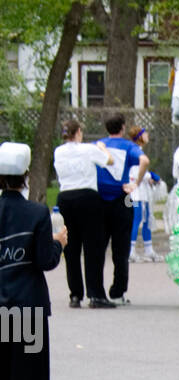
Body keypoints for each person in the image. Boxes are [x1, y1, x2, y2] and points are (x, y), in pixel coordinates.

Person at [0, 142, 67, 380]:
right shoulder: (37, 213)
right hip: (27, 303)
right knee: (26, 368)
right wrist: (59, 243)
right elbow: (45, 261)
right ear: (25, 175)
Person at [52, 119, 115, 307]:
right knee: (93, 247)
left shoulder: (58, 151)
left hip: (65, 197)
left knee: (71, 247)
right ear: (78, 132)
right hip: (87, 196)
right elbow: (109, 161)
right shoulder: (89, 149)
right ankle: (95, 294)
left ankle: (75, 294)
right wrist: (102, 147)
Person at [97, 113, 149, 304]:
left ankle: (96, 289)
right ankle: (118, 291)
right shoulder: (129, 146)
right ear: (123, 128)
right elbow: (145, 161)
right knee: (121, 247)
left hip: (100, 198)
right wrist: (137, 182)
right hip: (123, 196)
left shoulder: (99, 145)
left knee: (99, 247)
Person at [127, 127, 158, 263]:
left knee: (147, 220)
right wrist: (149, 176)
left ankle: (149, 249)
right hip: (135, 193)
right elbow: (134, 173)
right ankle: (131, 251)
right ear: (139, 136)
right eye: (144, 133)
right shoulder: (135, 152)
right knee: (136, 219)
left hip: (144, 193)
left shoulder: (139, 151)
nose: (147, 135)